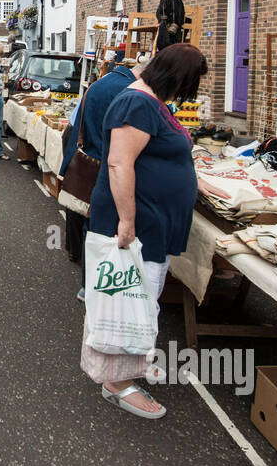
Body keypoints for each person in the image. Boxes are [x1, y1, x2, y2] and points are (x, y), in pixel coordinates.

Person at [87, 43, 208, 420]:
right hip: (139, 223)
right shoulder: (137, 103)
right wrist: (127, 220)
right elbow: (119, 163)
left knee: (143, 296)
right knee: (131, 298)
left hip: (153, 222)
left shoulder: (149, 101)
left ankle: (132, 363)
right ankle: (117, 382)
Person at [62, 52, 136, 281]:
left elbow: (77, 121)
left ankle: (75, 251)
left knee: (78, 202)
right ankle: (92, 272)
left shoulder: (99, 84)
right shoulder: (130, 90)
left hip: (81, 146)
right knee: (92, 214)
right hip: (99, 155)